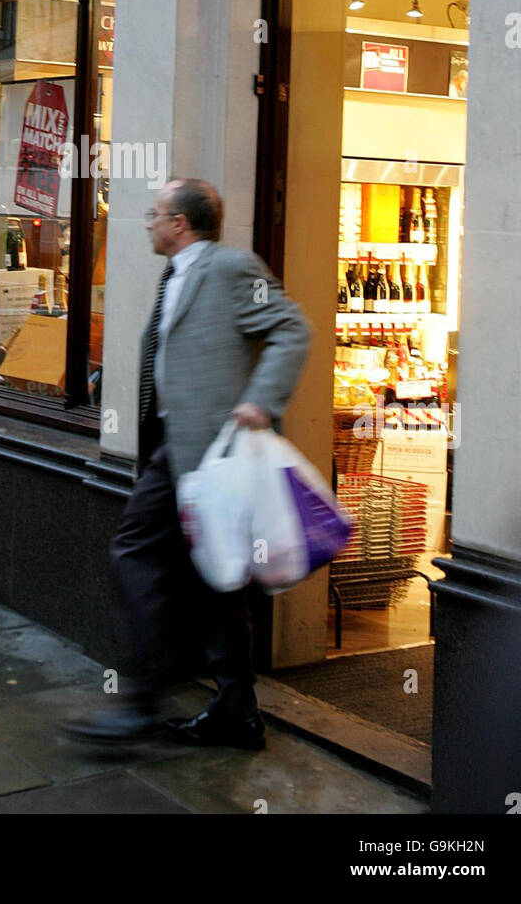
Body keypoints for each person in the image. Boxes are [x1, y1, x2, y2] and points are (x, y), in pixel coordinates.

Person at [67, 177, 311, 747]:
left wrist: (260, 401)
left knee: (134, 550)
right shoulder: (175, 275)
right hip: (175, 452)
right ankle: (236, 710)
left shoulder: (231, 269)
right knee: (215, 579)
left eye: (155, 213)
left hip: (206, 454)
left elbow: (291, 327)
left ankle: (140, 702)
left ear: (180, 223)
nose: (148, 222)